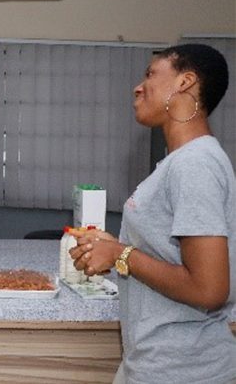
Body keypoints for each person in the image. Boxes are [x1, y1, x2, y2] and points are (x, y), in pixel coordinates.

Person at [69, 44, 236, 384]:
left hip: (183, 368)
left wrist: (121, 254)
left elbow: (209, 289)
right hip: (159, 360)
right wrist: (113, 248)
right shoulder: (181, 162)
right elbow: (169, 258)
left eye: (150, 74)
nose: (138, 86)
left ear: (185, 82)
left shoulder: (194, 164)